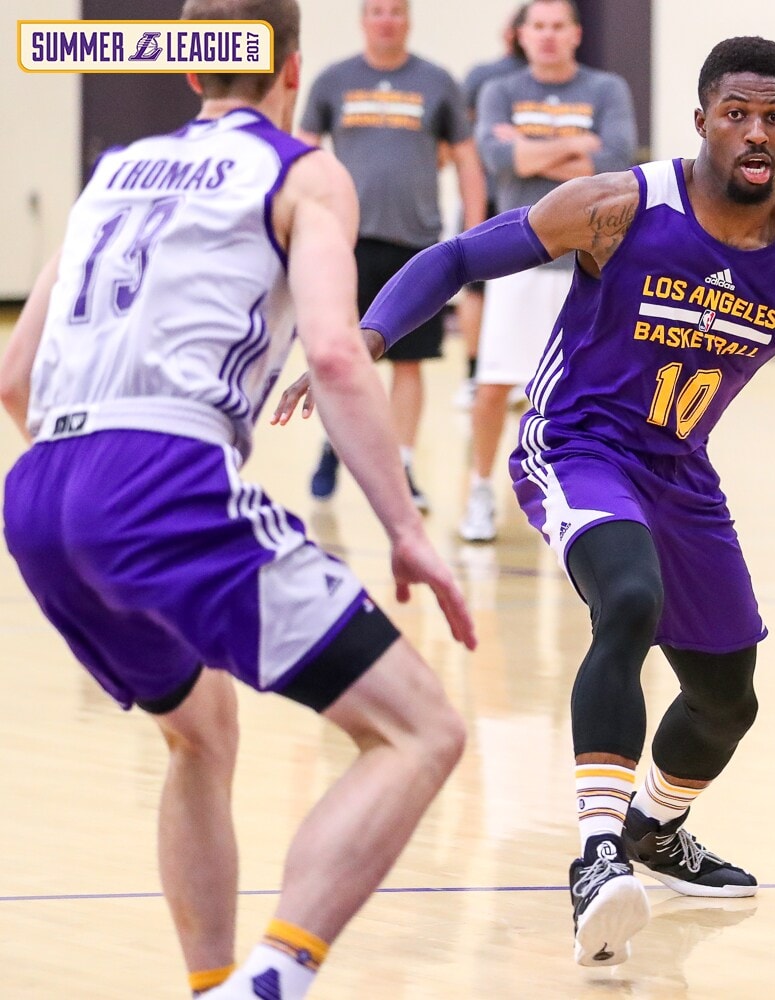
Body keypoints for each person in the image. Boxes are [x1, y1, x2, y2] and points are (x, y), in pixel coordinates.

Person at [277, 35, 775, 968]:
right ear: (701, 119)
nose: (754, 132)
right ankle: (595, 856)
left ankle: (657, 827)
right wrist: (369, 337)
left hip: (678, 469)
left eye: (773, 117)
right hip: (575, 443)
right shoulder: (619, 207)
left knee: (726, 697)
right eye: (736, 112)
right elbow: (459, 257)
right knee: (627, 598)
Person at [0, 2, 476, 998]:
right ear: (292, 69)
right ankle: (275, 977)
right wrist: (404, 529)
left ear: (191, 73)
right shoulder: (304, 171)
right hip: (161, 481)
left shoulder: (111, 172)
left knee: (201, 731)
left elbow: (14, 376)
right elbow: (338, 354)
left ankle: (214, 980)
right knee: (421, 729)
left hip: (41, 490)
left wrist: (89, 502)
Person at [297, 0, 487, 511]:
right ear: (364, 20)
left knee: (408, 363)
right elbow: (303, 150)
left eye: (396, 11)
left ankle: (401, 464)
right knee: (343, 357)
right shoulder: (333, 80)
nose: (387, 19)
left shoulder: (436, 81)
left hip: (417, 246)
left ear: (408, 20)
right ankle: (331, 445)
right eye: (377, 11)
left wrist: (474, 232)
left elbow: (467, 159)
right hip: (345, 243)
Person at [459, 0, 637, 542]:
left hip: (590, 265)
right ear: (522, 34)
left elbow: (617, 161)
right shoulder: (499, 90)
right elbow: (497, 160)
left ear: (576, 34)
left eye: (559, 26)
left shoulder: (607, 89)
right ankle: (480, 493)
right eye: (539, 26)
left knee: (581, 395)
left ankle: (578, 501)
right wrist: (576, 146)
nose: (549, 35)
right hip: (521, 264)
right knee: (494, 387)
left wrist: (532, 149)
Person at [451, 4, 529, 410]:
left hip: (530, 190)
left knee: (527, 279)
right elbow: (470, 139)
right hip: (486, 189)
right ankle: (474, 371)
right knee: (477, 283)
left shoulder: (557, 80)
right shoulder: (485, 76)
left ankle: (522, 372)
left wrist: (521, 142)